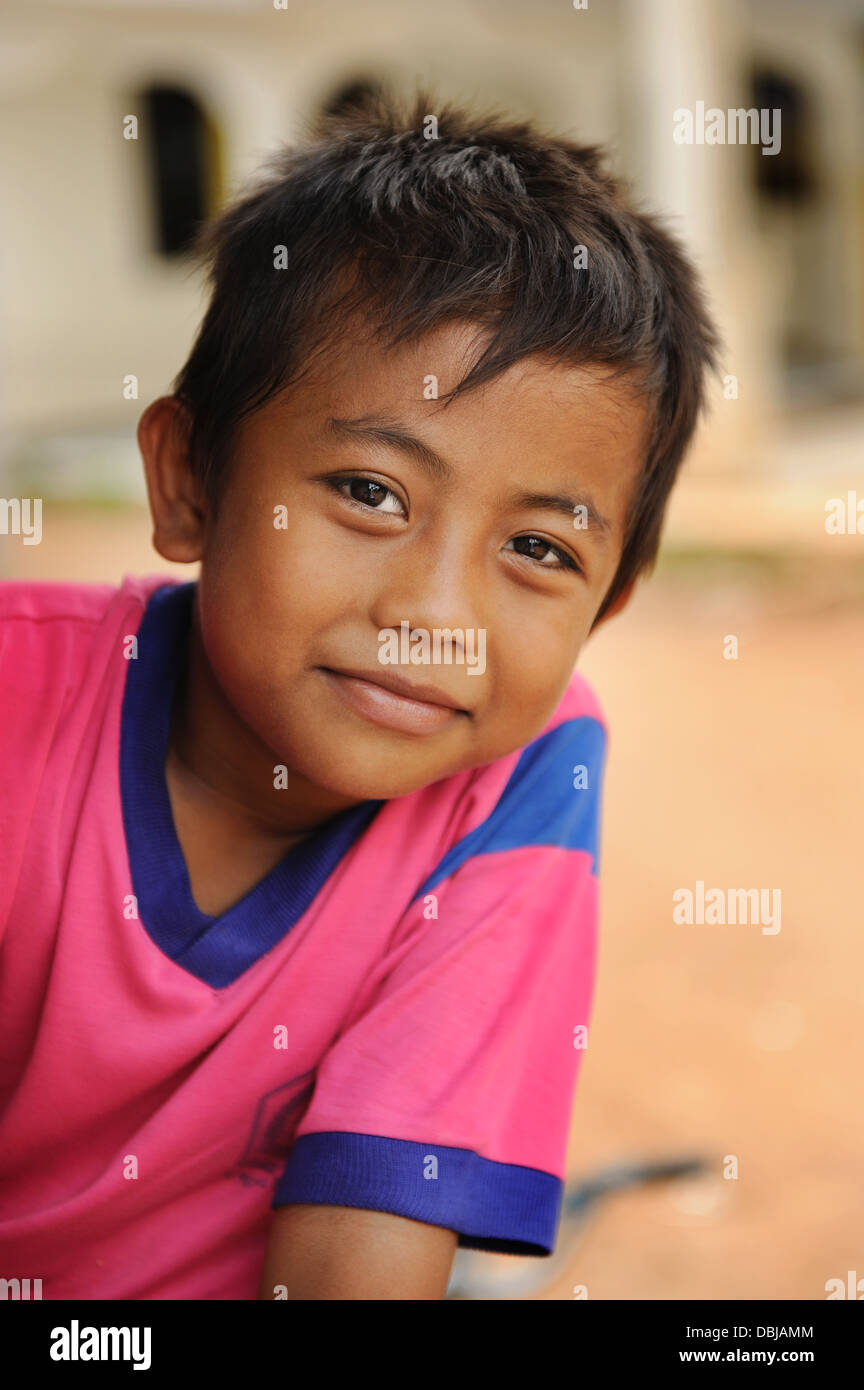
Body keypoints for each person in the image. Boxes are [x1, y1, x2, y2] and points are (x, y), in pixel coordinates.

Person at [0, 92, 718, 1300]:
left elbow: (355, 1260)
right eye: (370, 493)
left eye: (540, 550)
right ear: (189, 481)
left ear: (609, 602)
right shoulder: (25, 702)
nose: (435, 620)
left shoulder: (525, 766)